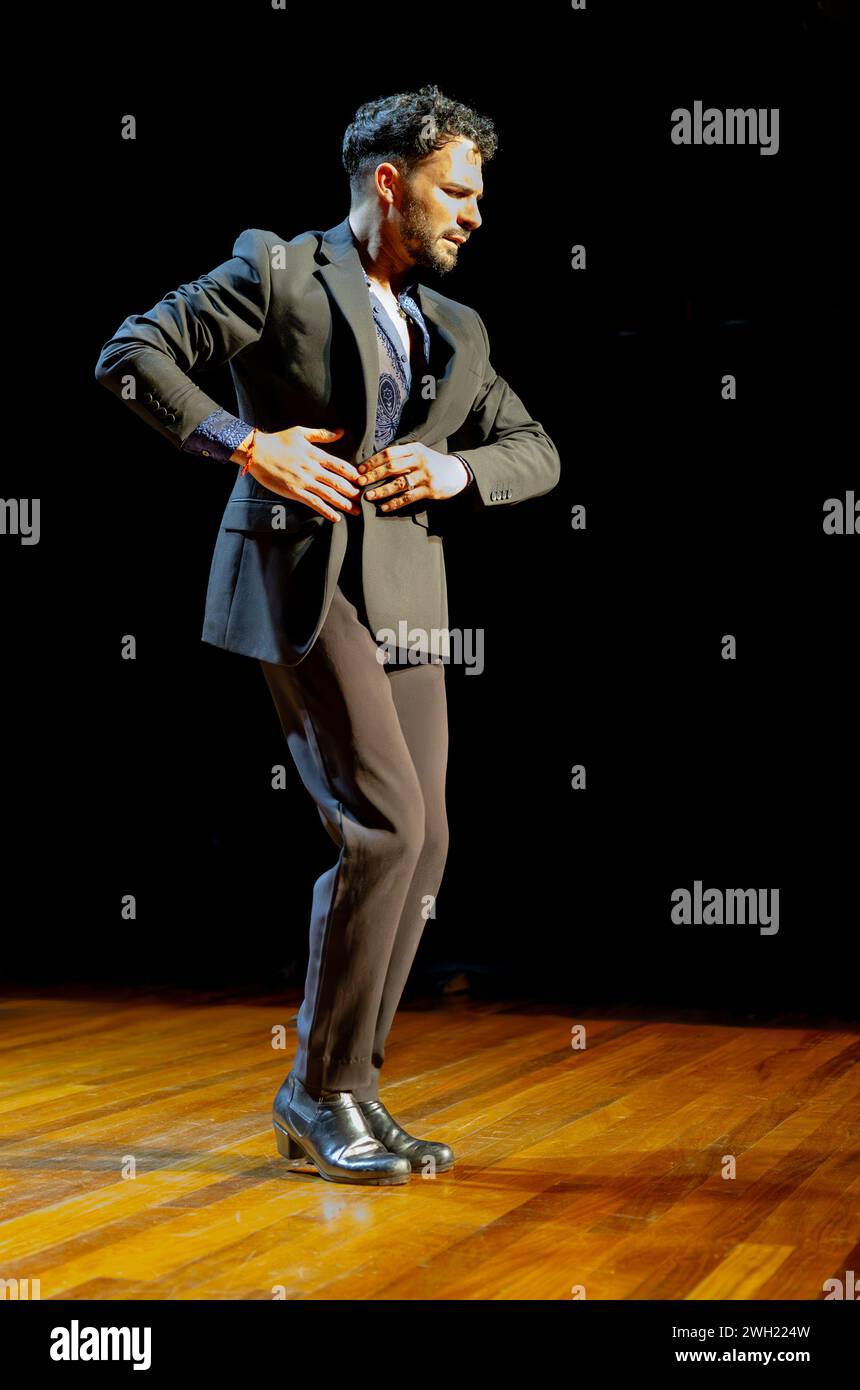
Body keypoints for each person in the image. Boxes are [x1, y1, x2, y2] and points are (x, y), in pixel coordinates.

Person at [95, 85, 561, 1186]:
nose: (473, 215)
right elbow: (131, 352)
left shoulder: (456, 325)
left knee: (427, 844)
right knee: (385, 830)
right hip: (301, 583)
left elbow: (536, 449)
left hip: (407, 594)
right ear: (387, 183)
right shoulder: (278, 270)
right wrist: (245, 445)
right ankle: (318, 1090)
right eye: (455, 191)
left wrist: (455, 469)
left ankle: (353, 1083)